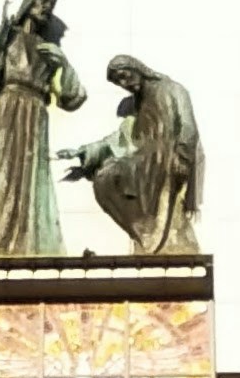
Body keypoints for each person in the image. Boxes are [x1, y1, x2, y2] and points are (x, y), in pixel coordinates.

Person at [0, 0, 86, 257]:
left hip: (35, 112)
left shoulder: (48, 49)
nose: (46, 8)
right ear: (29, 2)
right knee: (2, 173)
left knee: (31, 179)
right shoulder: (5, 36)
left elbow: (73, 97)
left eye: (50, 4)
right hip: (8, 107)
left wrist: (63, 65)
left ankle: (27, 239)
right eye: (42, 1)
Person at [63, 52, 203, 257]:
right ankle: (143, 231)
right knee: (105, 178)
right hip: (145, 158)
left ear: (137, 68)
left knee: (120, 175)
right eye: (119, 81)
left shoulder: (172, 89)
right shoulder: (137, 104)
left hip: (166, 156)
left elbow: (188, 127)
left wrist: (182, 156)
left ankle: (155, 235)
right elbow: (122, 138)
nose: (124, 82)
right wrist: (86, 153)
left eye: (124, 75)